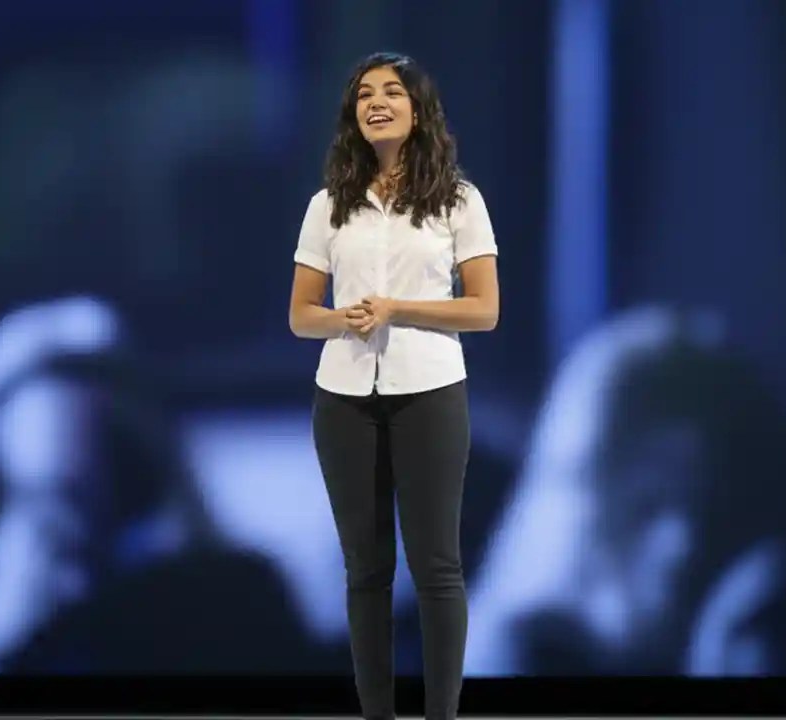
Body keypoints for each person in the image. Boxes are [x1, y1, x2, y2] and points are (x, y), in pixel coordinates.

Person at [288, 52, 500, 720]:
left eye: (392, 92)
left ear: (418, 108)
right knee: (366, 571)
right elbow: (301, 317)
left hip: (431, 389)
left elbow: (484, 309)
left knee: (437, 567)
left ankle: (442, 711)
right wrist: (343, 319)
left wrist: (398, 309)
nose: (377, 103)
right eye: (363, 96)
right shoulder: (327, 207)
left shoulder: (459, 200)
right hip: (345, 398)